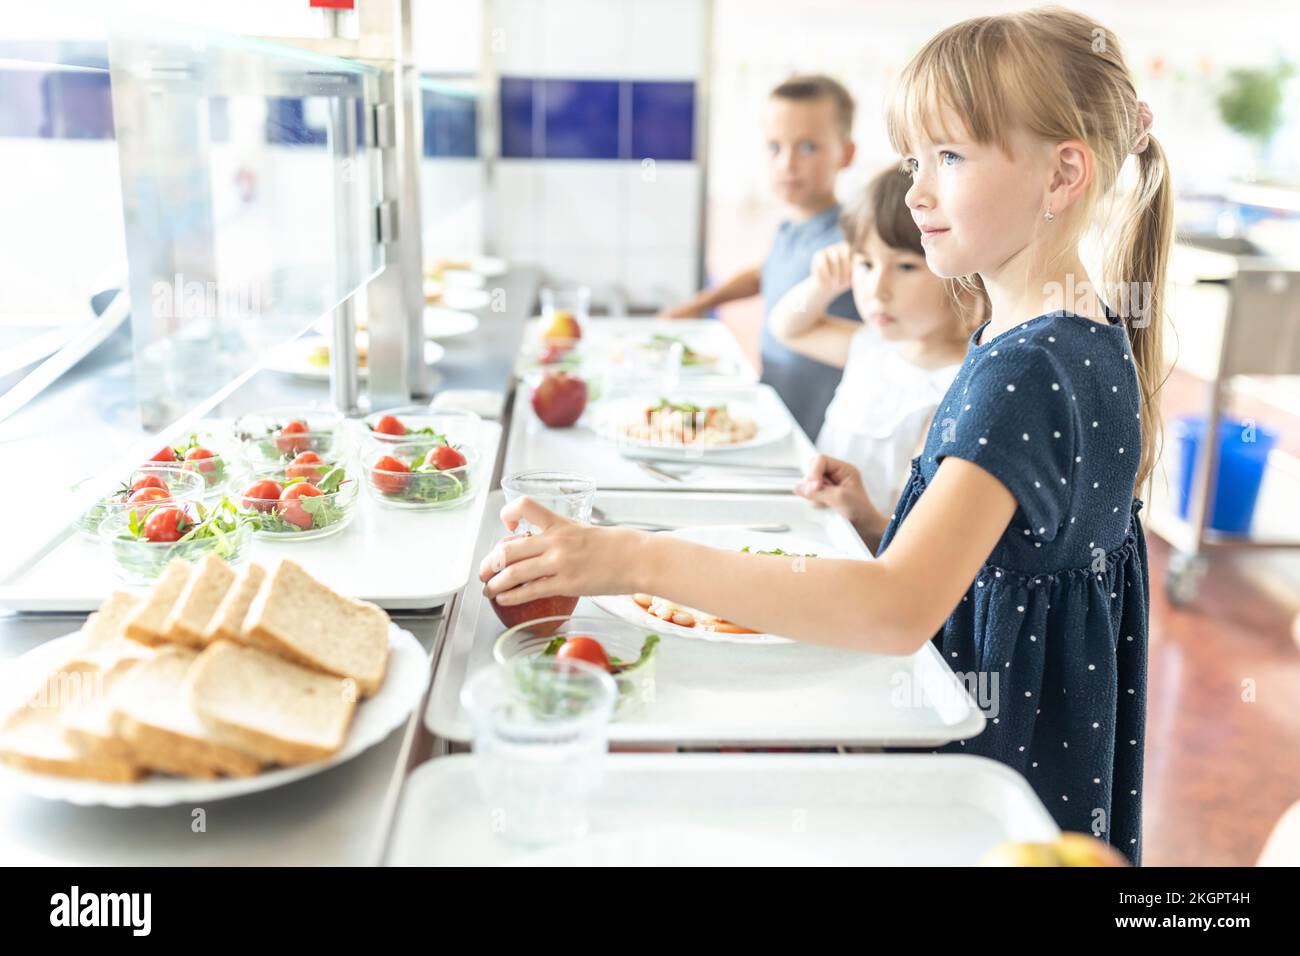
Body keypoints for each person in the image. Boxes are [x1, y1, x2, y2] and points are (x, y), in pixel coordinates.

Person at [484, 7, 1169, 864]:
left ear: (1064, 173)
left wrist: (625, 559)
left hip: (976, 767)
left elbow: (894, 608)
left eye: (949, 157)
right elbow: (1001, 563)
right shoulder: (1090, 333)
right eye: (915, 160)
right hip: (1036, 761)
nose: (915, 191)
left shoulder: (1026, 369)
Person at [659, 74, 860, 438]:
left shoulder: (853, 239)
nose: (787, 163)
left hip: (822, 433)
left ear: (846, 154)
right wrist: (700, 303)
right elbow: (764, 273)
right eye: (774, 147)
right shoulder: (789, 229)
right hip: (777, 413)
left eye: (808, 147)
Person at [769, 165, 980, 510]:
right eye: (866, 264)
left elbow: (910, 532)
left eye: (906, 267)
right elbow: (787, 328)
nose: (877, 291)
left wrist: (861, 515)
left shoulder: (953, 387)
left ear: (962, 277)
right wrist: (821, 286)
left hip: (863, 553)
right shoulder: (872, 346)